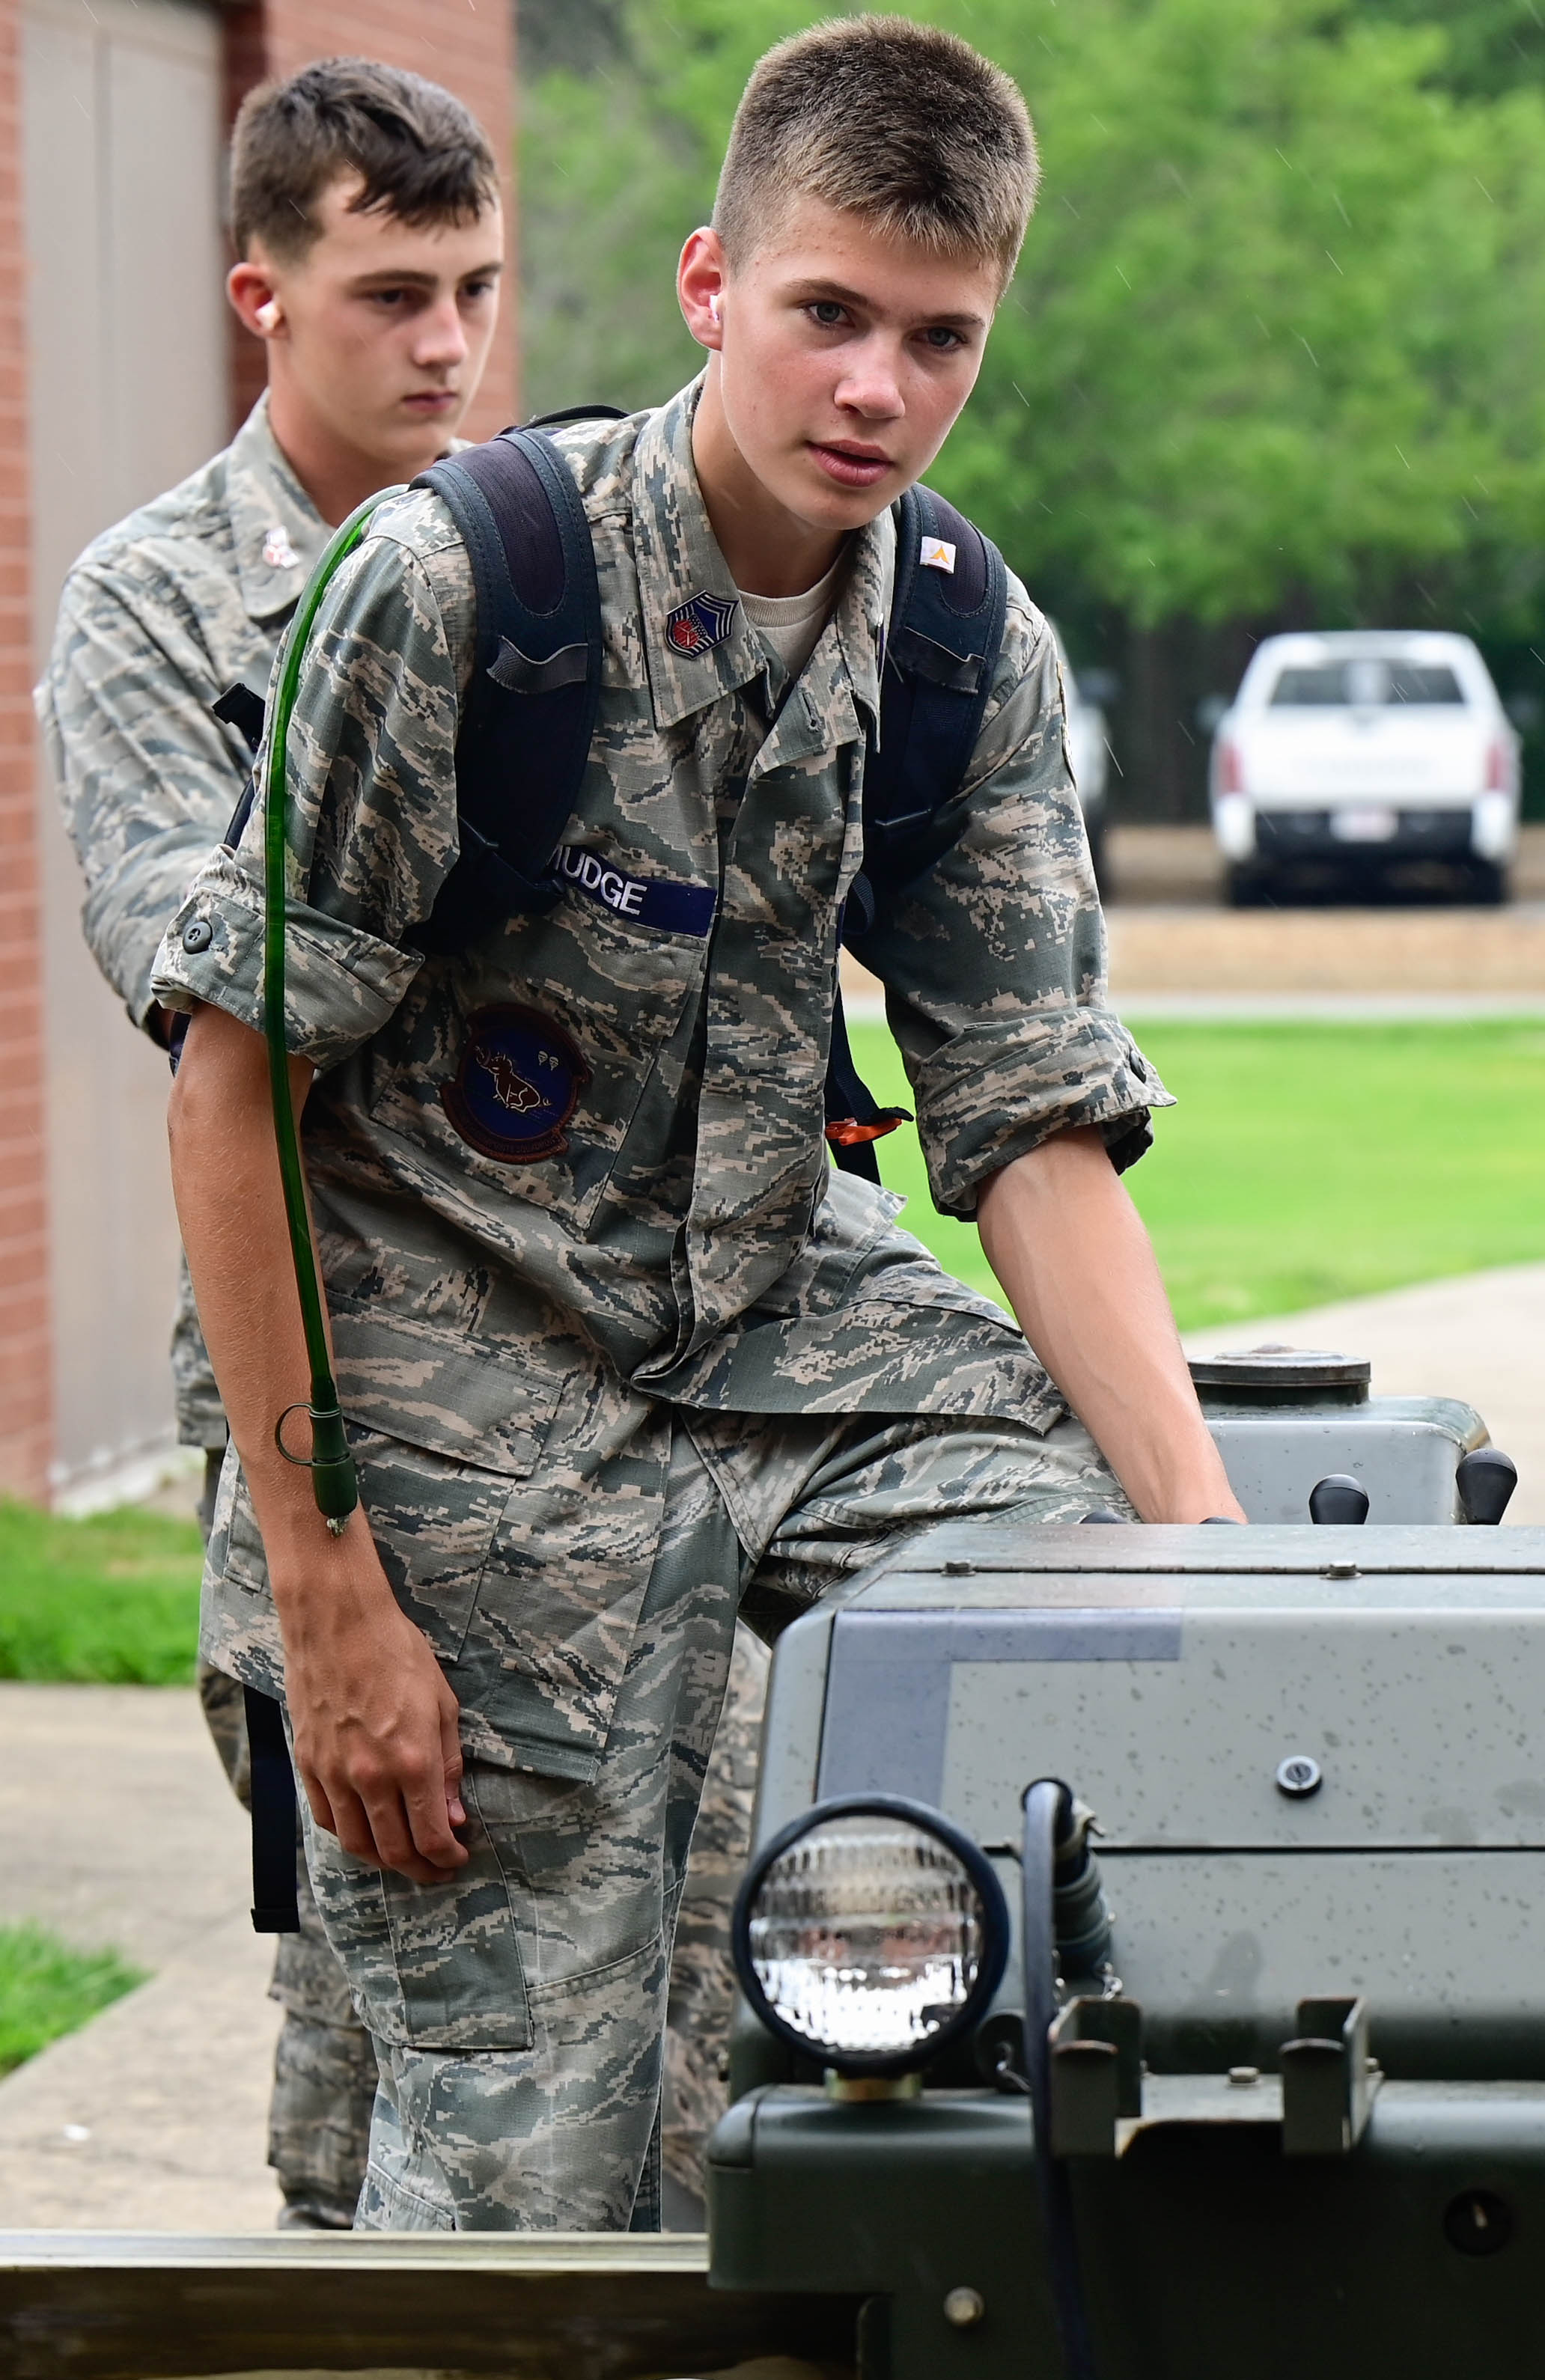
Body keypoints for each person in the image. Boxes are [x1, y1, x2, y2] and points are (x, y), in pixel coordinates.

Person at [152, 14, 1243, 2231]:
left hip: (767, 1332)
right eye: (827, 314)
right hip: (447, 1380)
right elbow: (233, 1074)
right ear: (708, 283)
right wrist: (323, 1589)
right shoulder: (459, 586)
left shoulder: (960, 648)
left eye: (938, 340)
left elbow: (1028, 1121)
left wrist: (1216, 1555)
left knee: (1106, 1599)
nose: (877, 391)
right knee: (536, 2183)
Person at [49, 58, 508, 2233]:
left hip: (597, 1385)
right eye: (391, 293)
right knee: (372, 2002)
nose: (443, 344)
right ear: (265, 297)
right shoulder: (155, 610)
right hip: (328, 1394)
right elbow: (213, 1018)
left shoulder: (555, 573)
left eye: (476, 291)